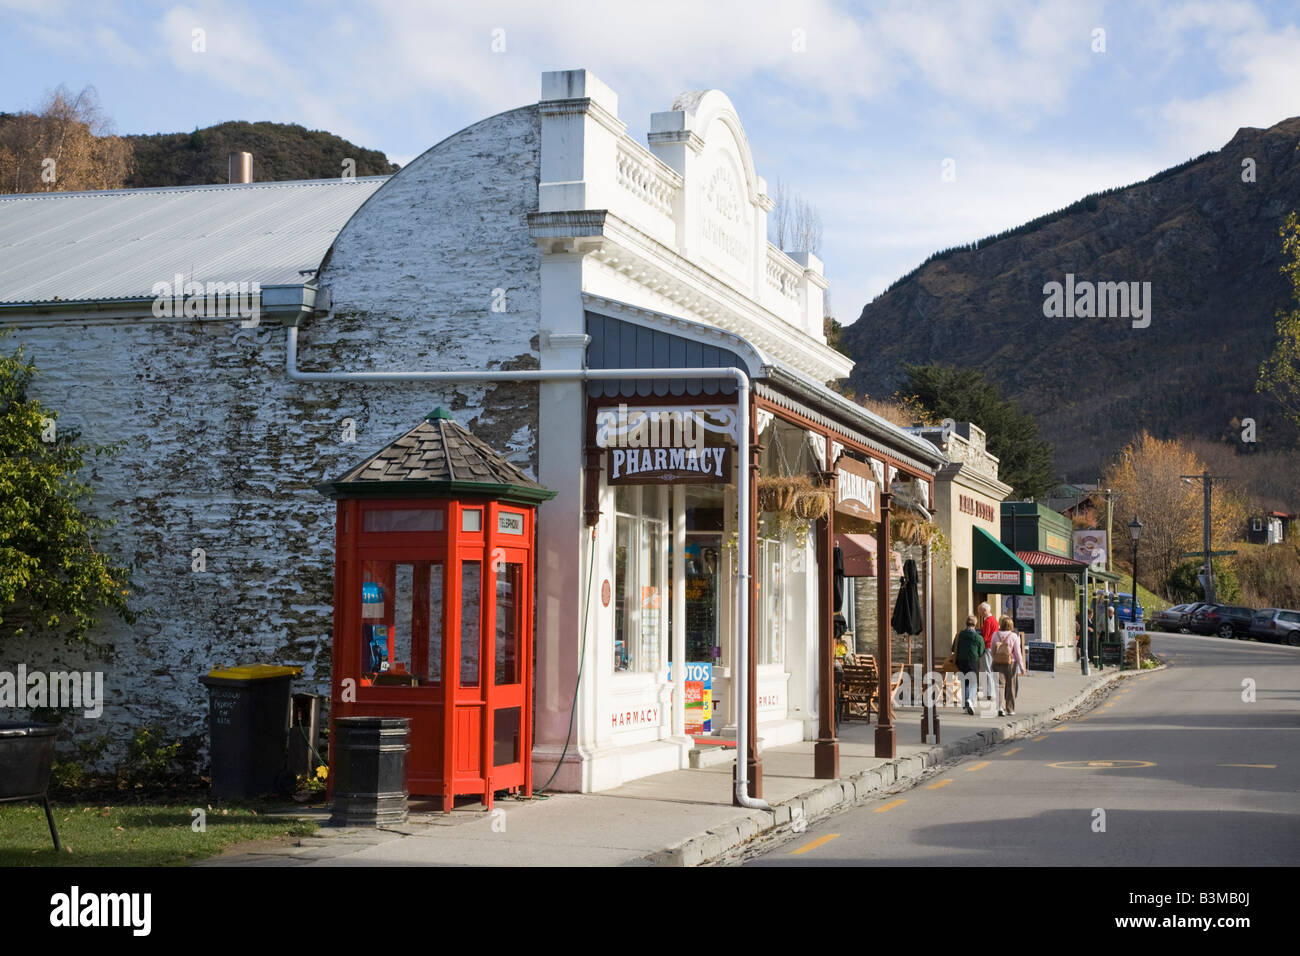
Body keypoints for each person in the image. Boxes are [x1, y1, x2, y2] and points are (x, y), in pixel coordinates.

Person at [991, 614, 1025, 715]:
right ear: (1011, 625)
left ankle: (1000, 708)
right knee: (1011, 686)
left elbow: (992, 650)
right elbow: (1018, 653)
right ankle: (1010, 709)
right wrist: (1022, 667)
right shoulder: (1014, 636)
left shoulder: (995, 635)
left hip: (997, 663)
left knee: (999, 685)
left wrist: (996, 658)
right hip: (1011, 663)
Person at [954, 615, 985, 715]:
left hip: (961, 661)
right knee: (973, 683)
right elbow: (981, 651)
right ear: (975, 624)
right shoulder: (978, 637)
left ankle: (966, 707)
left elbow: (953, 647)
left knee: (965, 683)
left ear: (966, 623)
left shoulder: (960, 635)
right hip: (973, 661)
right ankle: (970, 700)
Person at [978, 602, 997, 701]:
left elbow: (985, 637)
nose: (979, 613)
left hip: (987, 647)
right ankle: (990, 692)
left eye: (980, 611)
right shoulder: (993, 619)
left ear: (985, 611)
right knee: (989, 670)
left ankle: (989, 693)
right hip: (991, 647)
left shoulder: (988, 621)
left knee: (987, 670)